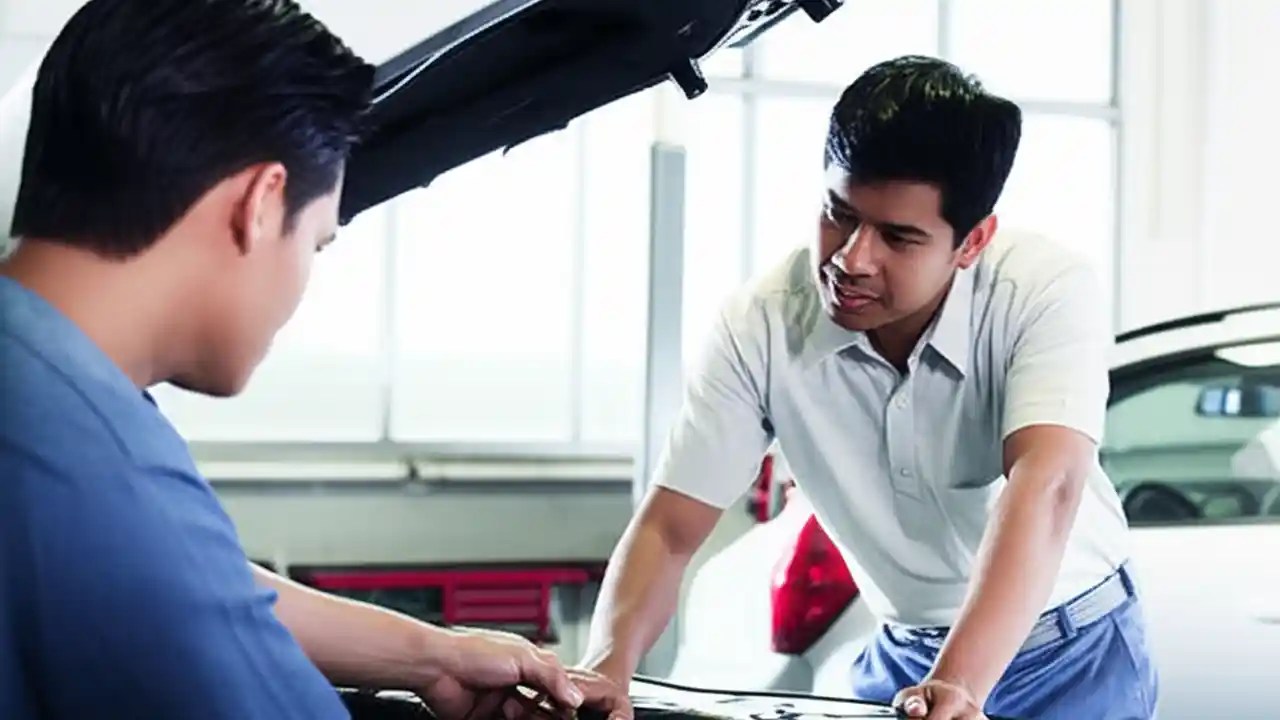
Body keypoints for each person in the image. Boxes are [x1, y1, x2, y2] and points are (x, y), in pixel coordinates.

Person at [0, 1, 625, 718]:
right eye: (318, 243)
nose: (305, 275)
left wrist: (433, 654)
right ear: (263, 203)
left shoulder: (43, 393)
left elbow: (200, 587)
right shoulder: (102, 470)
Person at [579, 56, 1158, 720]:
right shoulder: (762, 322)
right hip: (906, 655)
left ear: (972, 242)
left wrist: (963, 684)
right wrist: (608, 665)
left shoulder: (1044, 290)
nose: (851, 259)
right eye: (838, 214)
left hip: (1073, 651)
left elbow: (1049, 487)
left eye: (898, 237)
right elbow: (673, 526)